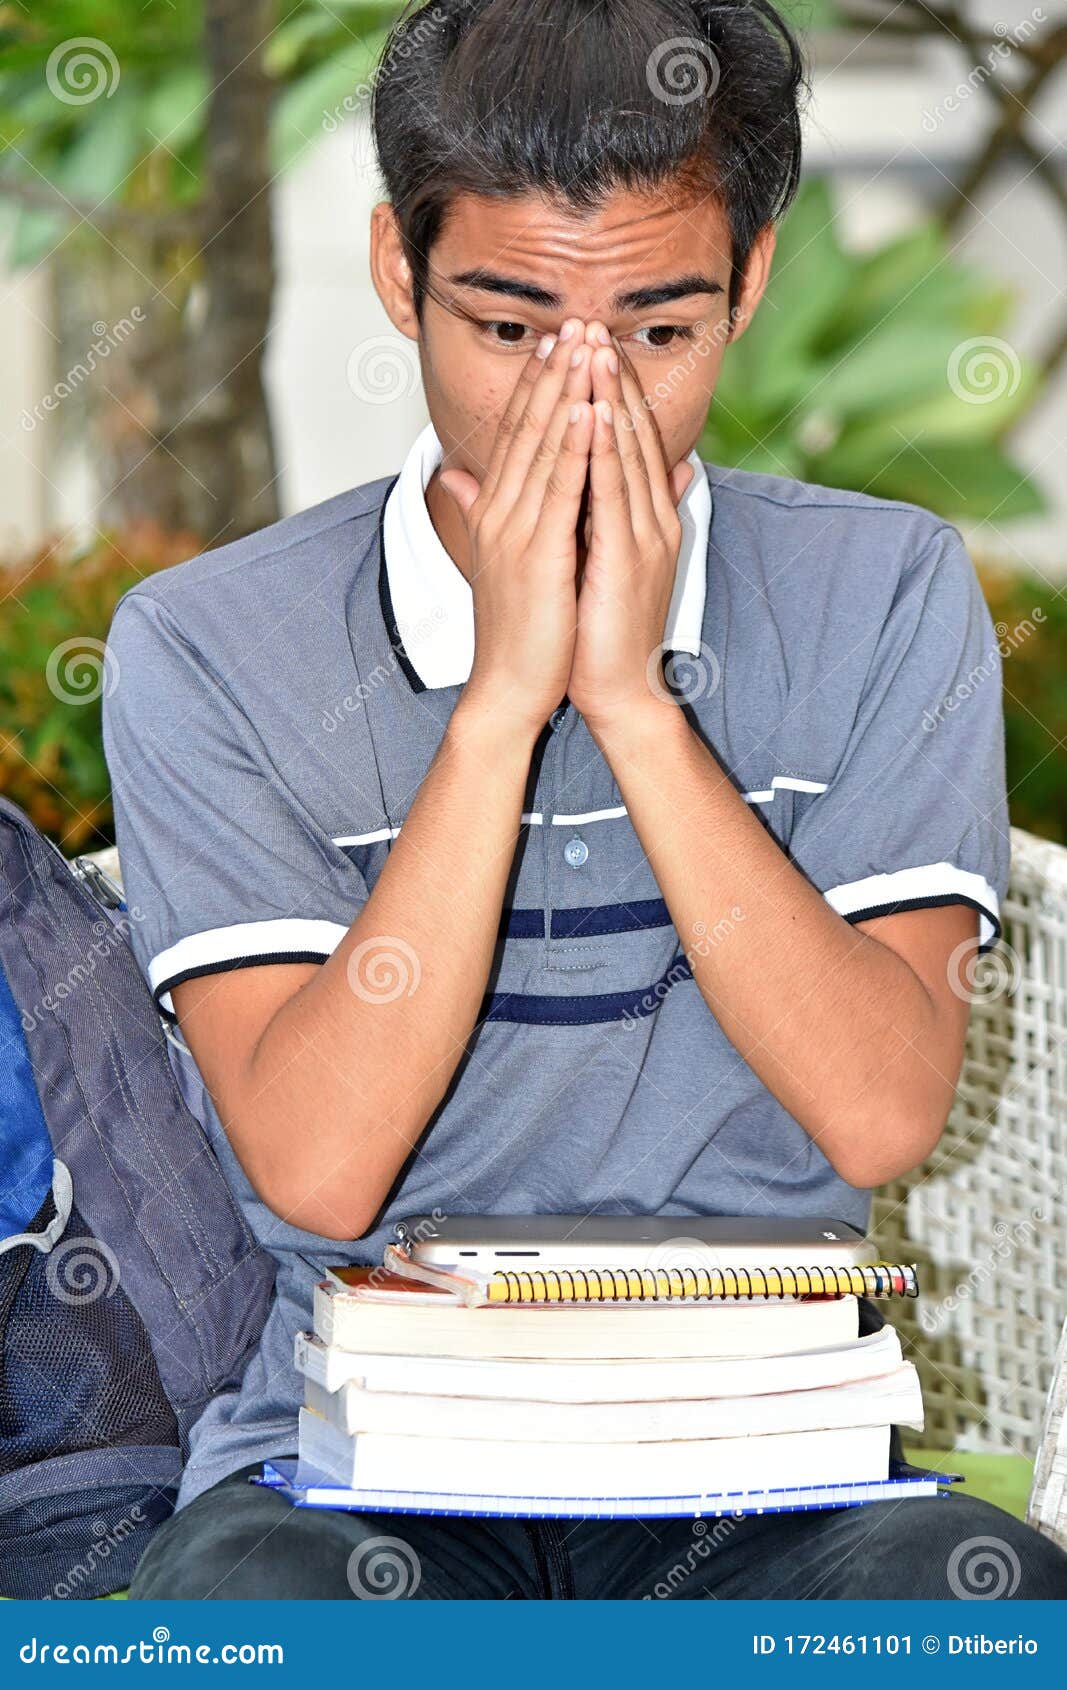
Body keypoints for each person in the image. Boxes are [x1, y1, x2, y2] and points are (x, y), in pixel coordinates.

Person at [103, 0, 1067, 1599]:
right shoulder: (210, 646)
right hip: (355, 1472)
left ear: (748, 281)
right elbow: (323, 1171)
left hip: (779, 1471)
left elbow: (885, 1108)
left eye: (658, 331)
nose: (584, 401)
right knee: (240, 1624)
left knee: (987, 1611)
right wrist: (498, 708)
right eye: (508, 327)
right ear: (399, 275)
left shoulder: (882, 592)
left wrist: (630, 700)